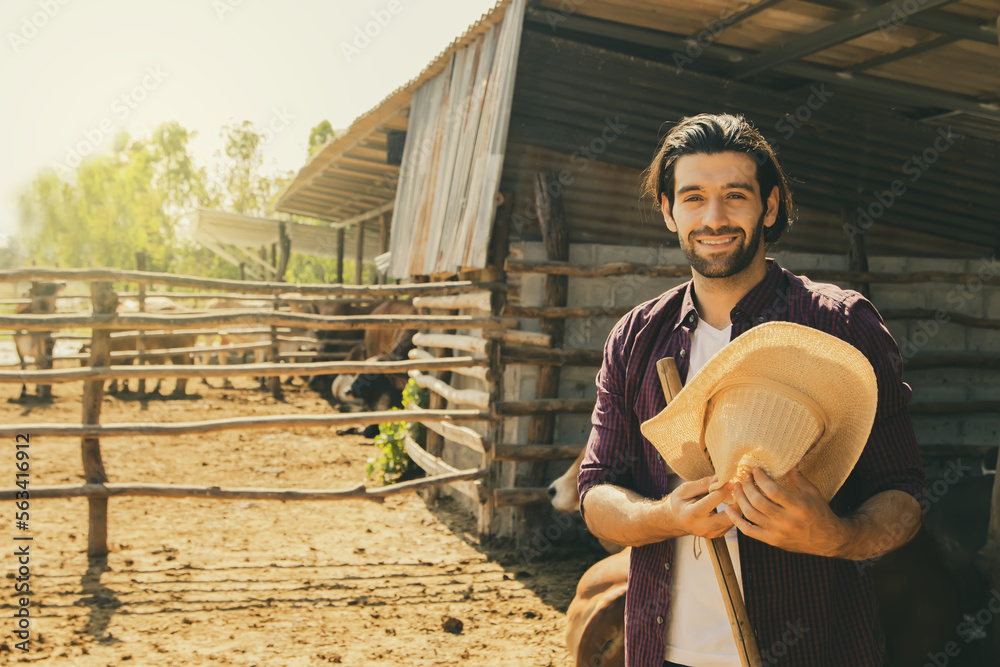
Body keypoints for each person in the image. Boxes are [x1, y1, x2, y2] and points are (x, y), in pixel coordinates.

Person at [578, 113, 926, 667]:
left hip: (815, 650)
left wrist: (837, 535)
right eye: (692, 197)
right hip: (662, 653)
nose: (713, 218)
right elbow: (596, 494)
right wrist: (665, 516)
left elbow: (905, 495)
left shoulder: (840, 326)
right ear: (669, 211)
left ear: (769, 205)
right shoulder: (636, 339)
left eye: (734, 196)